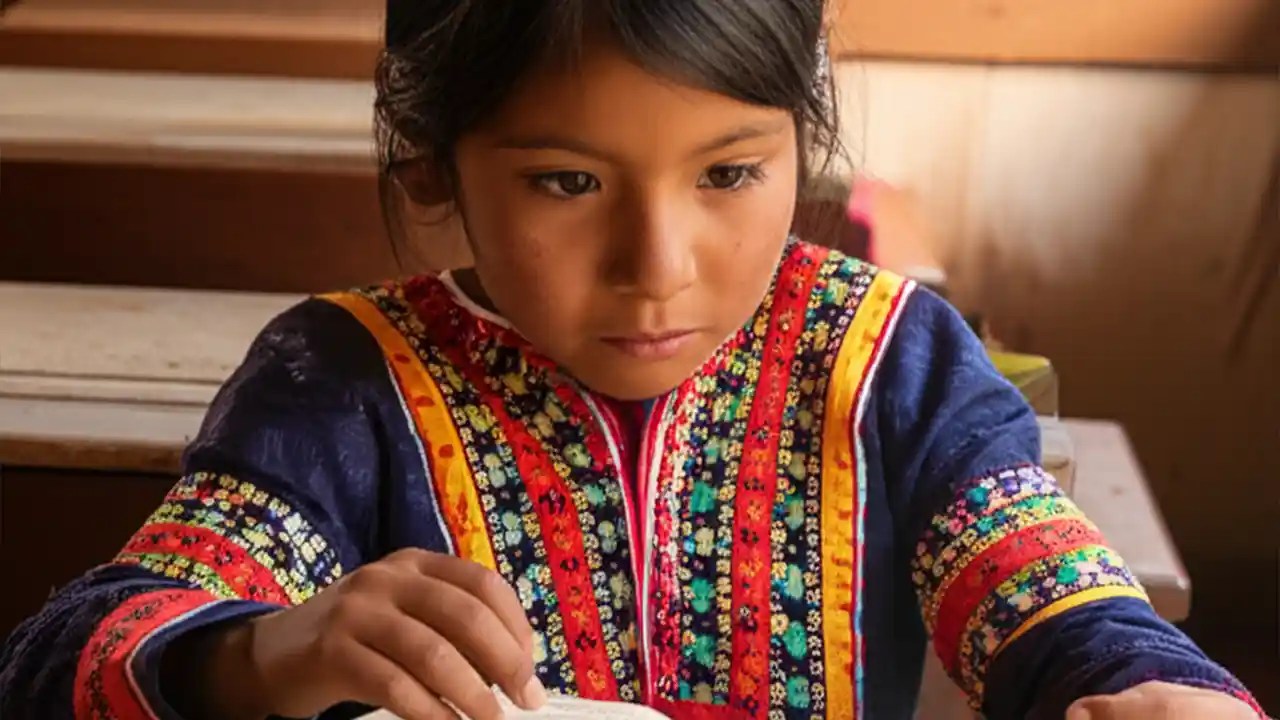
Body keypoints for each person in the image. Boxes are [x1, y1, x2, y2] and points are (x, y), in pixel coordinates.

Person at [0, 2, 1264, 719]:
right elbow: (72, 654)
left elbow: (1040, 586)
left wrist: (1152, 685)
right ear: (433, 167)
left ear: (799, 143)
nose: (656, 263)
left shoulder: (887, 365)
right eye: (565, 181)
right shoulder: (342, 383)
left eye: (728, 173)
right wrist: (261, 651)